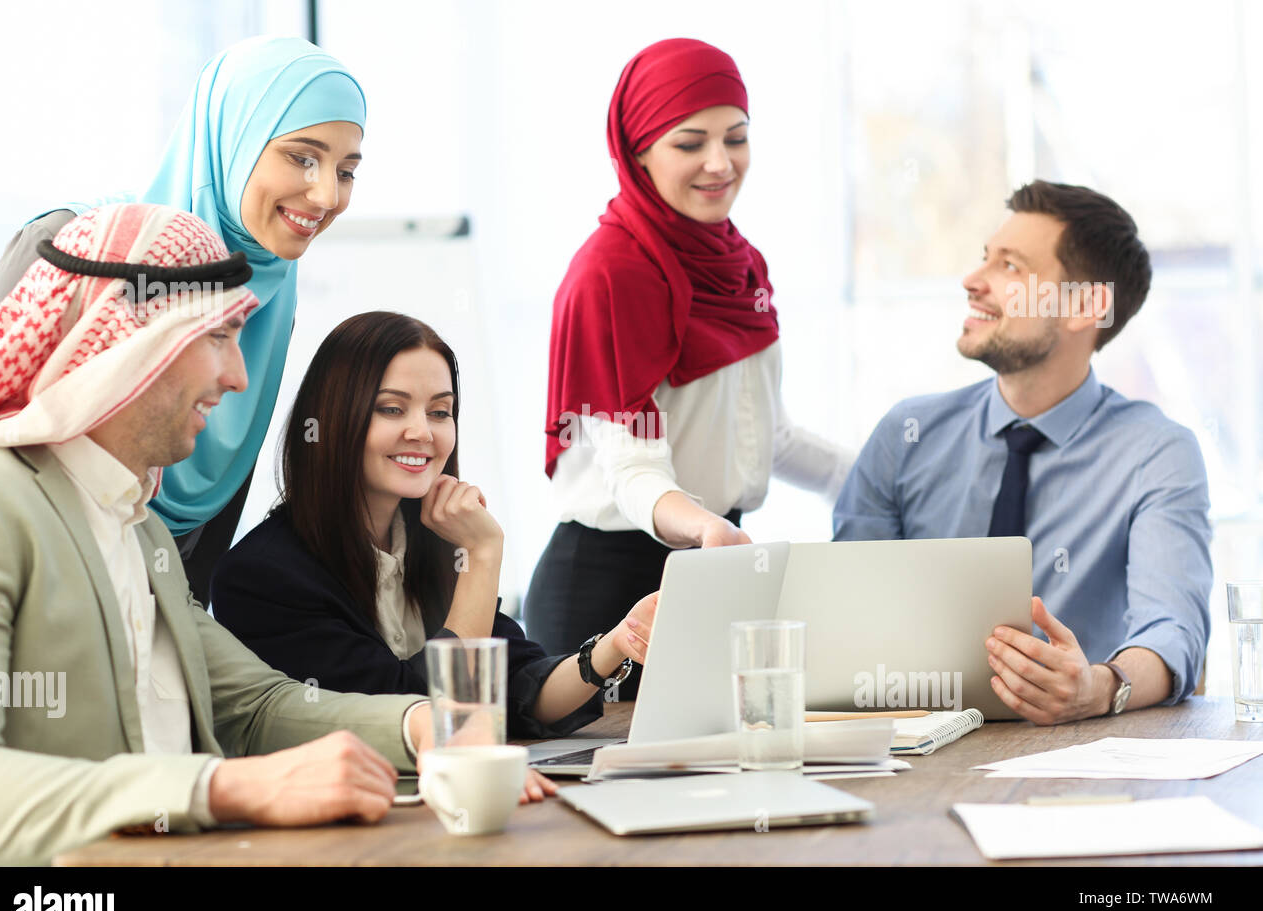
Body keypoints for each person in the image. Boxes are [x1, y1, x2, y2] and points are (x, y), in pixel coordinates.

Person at [0, 204, 436, 867]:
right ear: (130, 342)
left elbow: (257, 707)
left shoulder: (141, 528)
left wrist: (425, 728)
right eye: (218, 337)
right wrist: (220, 787)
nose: (239, 377)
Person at [0, 35, 365, 607]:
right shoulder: (74, 249)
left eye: (347, 170)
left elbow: (198, 560)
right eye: (301, 157)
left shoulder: (273, 288)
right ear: (231, 140)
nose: (326, 193)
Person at [210, 311, 657, 800]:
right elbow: (430, 716)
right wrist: (483, 557)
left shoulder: (434, 541)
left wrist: (616, 644)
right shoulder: (261, 576)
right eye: (392, 409)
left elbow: (520, 687)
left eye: (440, 412)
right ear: (334, 418)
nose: (423, 432)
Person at [526, 38, 854, 693]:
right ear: (639, 148)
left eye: (736, 138)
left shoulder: (738, 262)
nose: (719, 163)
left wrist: (879, 479)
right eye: (689, 142)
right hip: (610, 585)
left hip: (712, 564)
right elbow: (634, 468)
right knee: (612, 791)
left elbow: (769, 437)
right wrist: (708, 526)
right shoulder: (612, 273)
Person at [833, 181, 1212, 725]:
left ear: (1084, 308)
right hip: (909, 750)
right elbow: (842, 610)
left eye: (1010, 268)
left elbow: (1171, 632)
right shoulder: (906, 434)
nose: (971, 281)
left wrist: (1099, 687)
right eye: (984, 259)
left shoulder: (1156, 453)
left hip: (1076, 754)